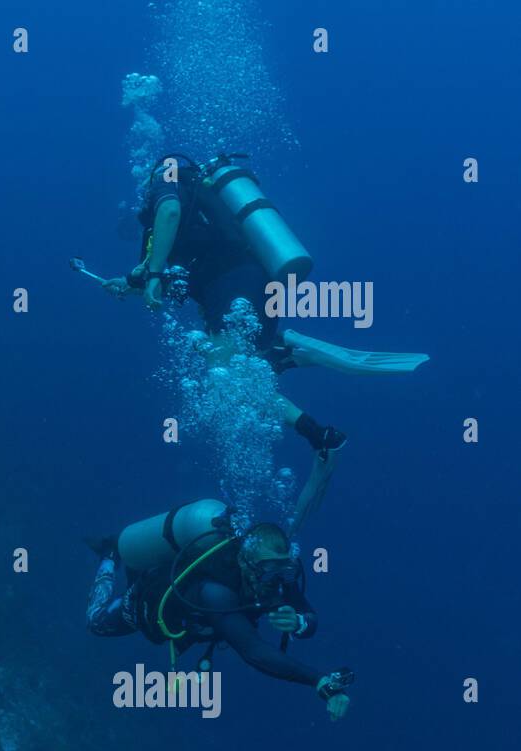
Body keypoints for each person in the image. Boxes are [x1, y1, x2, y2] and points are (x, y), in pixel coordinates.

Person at [100, 152, 348, 456]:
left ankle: (316, 426)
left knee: (225, 379)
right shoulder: (198, 209)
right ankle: (307, 405)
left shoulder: (166, 183)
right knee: (240, 372)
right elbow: (170, 277)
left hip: (233, 287)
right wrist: (130, 284)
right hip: (254, 286)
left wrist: (152, 274)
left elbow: (169, 213)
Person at [86, 510, 353, 719]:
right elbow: (254, 651)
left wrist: (300, 622)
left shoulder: (278, 575)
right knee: (96, 622)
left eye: (284, 571)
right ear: (245, 563)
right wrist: (318, 680)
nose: (278, 581)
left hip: (194, 625)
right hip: (147, 606)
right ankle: (109, 556)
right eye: (269, 572)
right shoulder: (215, 592)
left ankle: (127, 558)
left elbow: (310, 617)